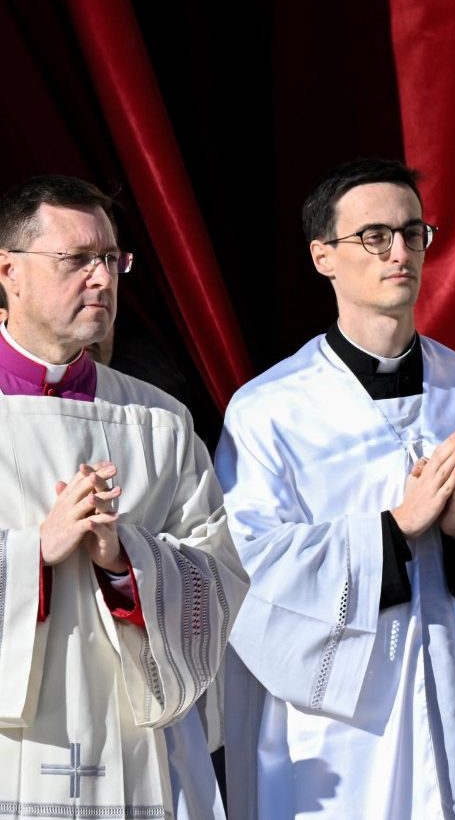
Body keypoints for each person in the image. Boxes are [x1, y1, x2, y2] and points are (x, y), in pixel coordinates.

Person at [215, 159, 455, 819]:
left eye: (413, 233)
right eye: (374, 237)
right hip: (345, 724)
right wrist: (393, 530)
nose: (399, 252)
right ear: (324, 256)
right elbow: (244, 567)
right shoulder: (270, 410)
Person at [0, 174, 247, 818]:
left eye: (111, 259)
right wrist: (33, 553)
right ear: (9, 271)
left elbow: (222, 582)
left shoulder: (160, 421)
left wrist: (128, 563)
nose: (103, 279)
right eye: (77, 259)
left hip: (140, 743)